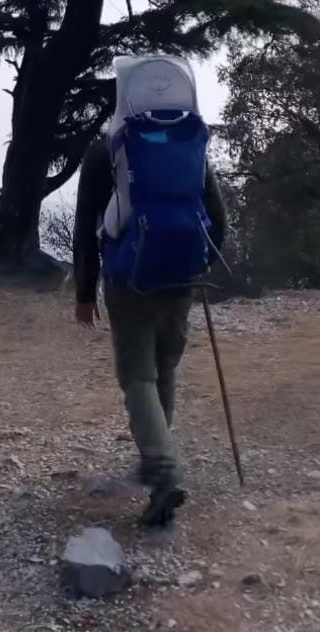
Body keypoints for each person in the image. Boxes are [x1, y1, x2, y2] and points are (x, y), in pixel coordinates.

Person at [73, 135, 226, 528]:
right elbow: (217, 217)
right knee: (165, 367)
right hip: (181, 276)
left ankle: (163, 469)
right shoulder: (186, 140)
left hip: (129, 280)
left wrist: (85, 292)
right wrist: (198, 264)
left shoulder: (103, 151)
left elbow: (85, 227)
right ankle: (158, 458)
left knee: (137, 376)